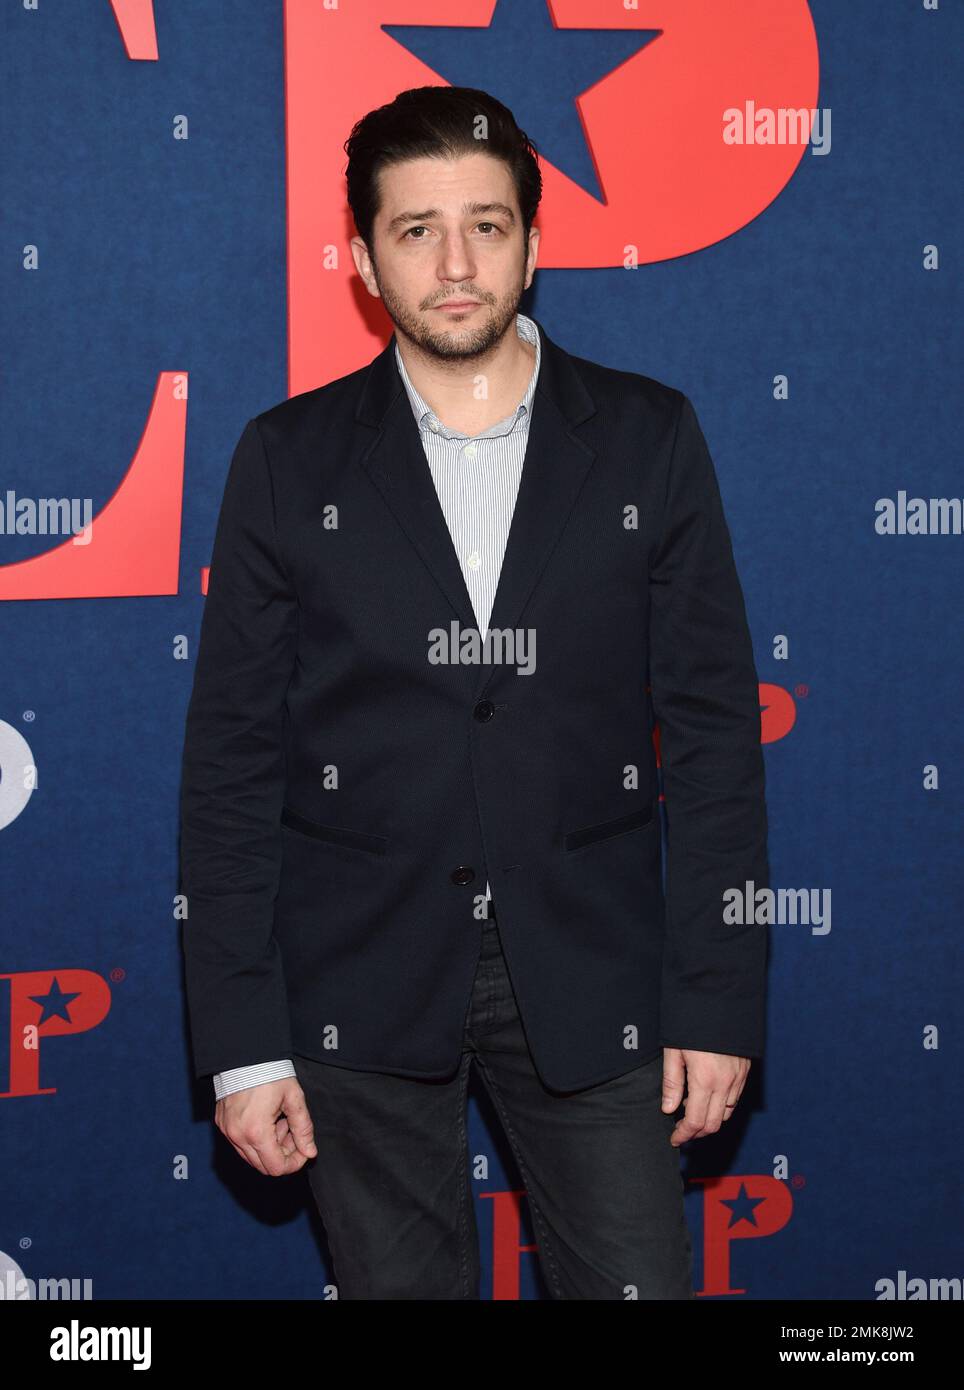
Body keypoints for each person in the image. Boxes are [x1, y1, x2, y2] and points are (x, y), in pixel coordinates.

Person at [179, 85, 770, 1300]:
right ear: (361, 260)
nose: (455, 265)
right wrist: (241, 1044)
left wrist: (718, 995)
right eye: (415, 230)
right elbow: (233, 760)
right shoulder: (287, 460)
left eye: (487, 226)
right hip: (357, 975)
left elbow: (716, 736)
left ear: (536, 243)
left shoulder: (650, 437)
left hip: (595, 966)